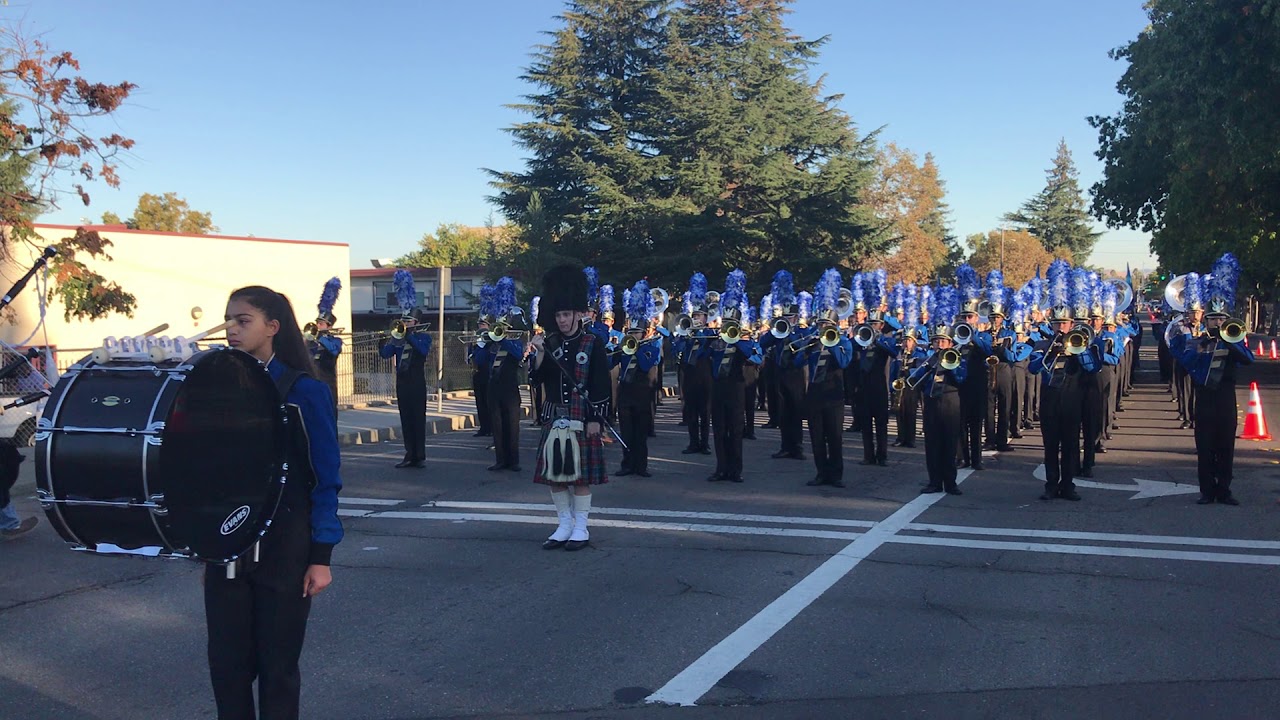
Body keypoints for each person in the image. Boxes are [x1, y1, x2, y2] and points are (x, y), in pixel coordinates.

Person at [207, 285, 342, 720]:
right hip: (227, 547)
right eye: (228, 320)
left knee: (277, 668)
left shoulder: (305, 392)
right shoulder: (214, 387)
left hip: (286, 548)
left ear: (272, 327)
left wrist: (320, 556)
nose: (231, 329)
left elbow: (325, 478)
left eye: (242, 320)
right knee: (227, 667)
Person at [529, 264, 612, 551]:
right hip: (556, 416)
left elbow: (601, 385)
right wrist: (539, 354)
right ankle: (564, 524)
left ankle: (581, 527)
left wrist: (595, 419)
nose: (562, 320)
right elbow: (536, 379)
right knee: (556, 475)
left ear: (578, 313)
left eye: (566, 314)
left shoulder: (593, 342)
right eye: (558, 315)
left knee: (580, 477)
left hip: (582, 416)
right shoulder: (550, 344)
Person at [1171, 254, 1253, 505]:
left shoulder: (1234, 340)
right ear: (1205, 321)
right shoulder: (1196, 342)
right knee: (1205, 447)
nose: (1217, 322)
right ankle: (1207, 490)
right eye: (1213, 319)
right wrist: (1201, 347)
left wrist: (1229, 341)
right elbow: (1187, 364)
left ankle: (1224, 489)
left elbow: (1248, 360)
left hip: (1226, 401)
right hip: (1205, 400)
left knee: (1226, 447)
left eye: (1220, 319)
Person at [378, 270, 432, 469]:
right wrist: (383, 342)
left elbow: (423, 350)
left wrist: (408, 336)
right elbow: (386, 354)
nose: (405, 324)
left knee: (418, 418)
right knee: (406, 418)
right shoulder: (398, 339)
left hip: (417, 381)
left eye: (409, 321)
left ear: (416, 323)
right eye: (404, 321)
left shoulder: (423, 337)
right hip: (402, 381)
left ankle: (420, 455)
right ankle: (409, 454)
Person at [614, 281, 662, 478]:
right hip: (625, 392)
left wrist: (638, 348)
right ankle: (627, 464)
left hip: (642, 393)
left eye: (637, 332)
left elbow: (644, 366)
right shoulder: (624, 347)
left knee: (640, 433)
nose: (633, 335)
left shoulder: (651, 347)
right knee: (626, 431)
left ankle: (641, 466)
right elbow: (611, 363)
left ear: (644, 332)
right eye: (631, 332)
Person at [912, 323, 966, 495]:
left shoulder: (958, 359)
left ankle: (951, 483)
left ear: (950, 344)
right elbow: (916, 382)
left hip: (950, 401)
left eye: (943, 341)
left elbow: (961, 379)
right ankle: (934, 481)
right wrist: (929, 367)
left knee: (950, 443)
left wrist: (950, 366)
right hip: (932, 402)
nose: (940, 345)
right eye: (937, 341)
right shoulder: (928, 360)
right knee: (933, 443)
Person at [485, 277, 526, 472]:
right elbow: (480, 359)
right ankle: (500, 459)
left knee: (512, 425)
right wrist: (482, 343)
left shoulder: (514, 341)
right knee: (497, 425)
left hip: (510, 388)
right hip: (493, 387)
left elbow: (519, 355)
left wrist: (504, 340)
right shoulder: (490, 343)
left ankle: (514, 461)